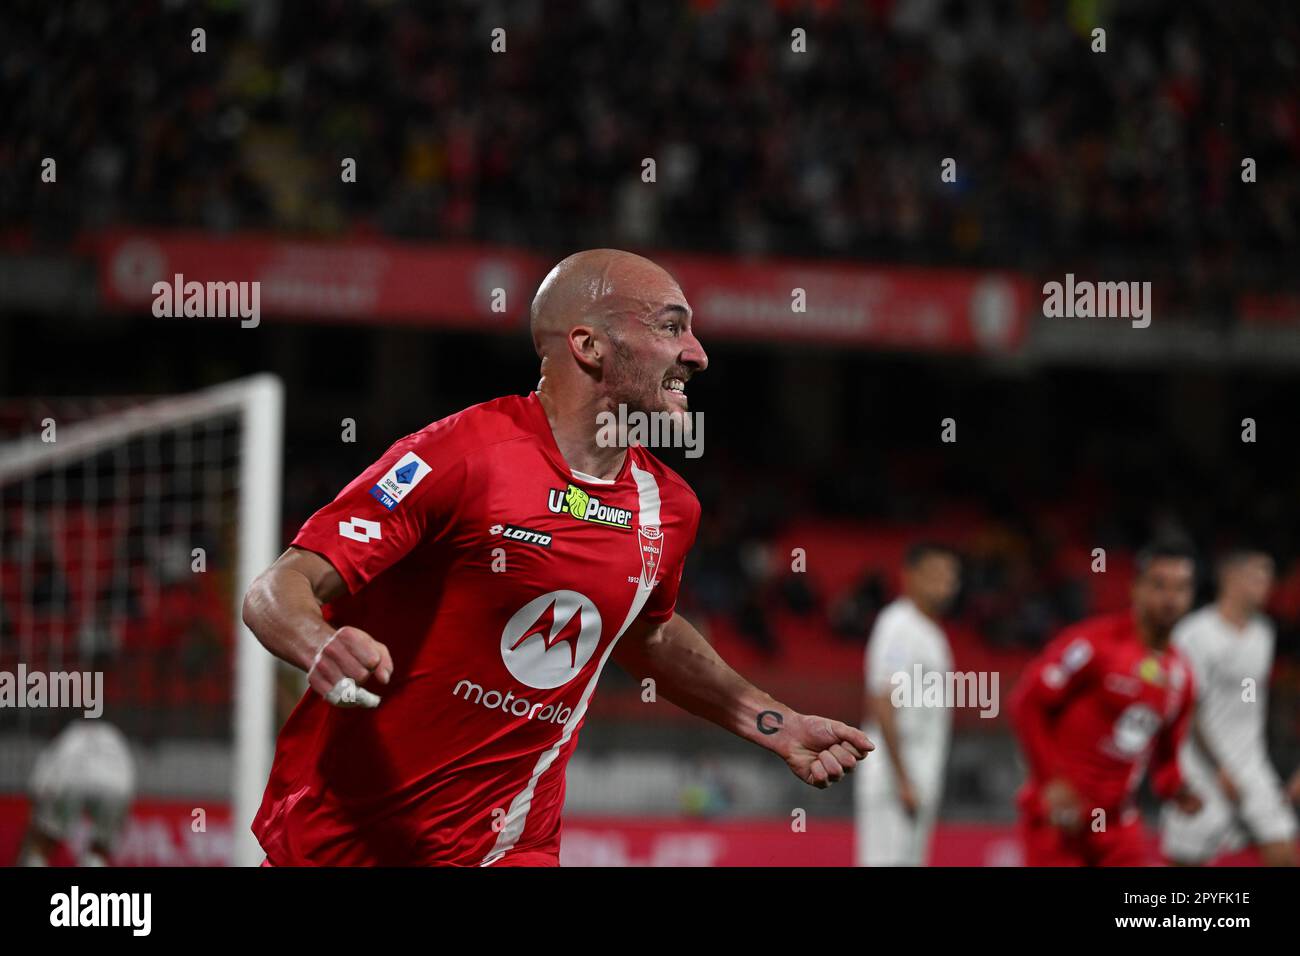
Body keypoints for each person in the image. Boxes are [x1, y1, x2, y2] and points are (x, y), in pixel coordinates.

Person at [242, 249, 873, 866]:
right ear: (588, 345)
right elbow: (279, 588)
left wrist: (776, 724)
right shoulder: (460, 457)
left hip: (510, 846)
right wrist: (318, 644)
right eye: (670, 326)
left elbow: (646, 635)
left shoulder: (668, 508)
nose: (697, 354)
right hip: (344, 840)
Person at [1010, 539, 1203, 866]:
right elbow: (1027, 703)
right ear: (1136, 589)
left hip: (1117, 824)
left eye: (1181, 588)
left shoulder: (1182, 675)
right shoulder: (1095, 643)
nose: (1170, 599)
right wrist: (1050, 782)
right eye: (1159, 585)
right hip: (1060, 819)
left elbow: (1165, 755)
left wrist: (1177, 789)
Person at [1161, 548, 1298, 866]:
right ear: (1230, 580)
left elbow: (1249, 691)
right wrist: (1219, 766)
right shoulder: (1195, 633)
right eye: (1256, 576)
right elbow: (1187, 707)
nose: (1266, 584)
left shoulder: (1263, 633)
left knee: (1282, 848)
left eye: (1268, 577)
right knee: (1186, 860)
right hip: (1202, 766)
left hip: (1251, 764)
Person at [854, 542, 961, 866]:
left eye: (949, 576)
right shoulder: (898, 625)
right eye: (934, 574)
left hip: (920, 775)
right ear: (909, 576)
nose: (943, 585)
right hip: (895, 777)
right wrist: (901, 778)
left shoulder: (932, 633)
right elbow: (883, 701)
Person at [19, 719, 136, 867]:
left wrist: (39, 817)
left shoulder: (70, 733)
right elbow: (129, 773)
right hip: (117, 785)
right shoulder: (114, 735)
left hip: (70, 779)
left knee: (44, 839)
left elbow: (41, 779)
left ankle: (35, 861)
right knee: (101, 844)